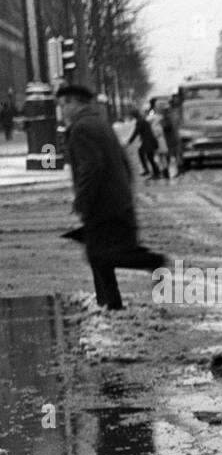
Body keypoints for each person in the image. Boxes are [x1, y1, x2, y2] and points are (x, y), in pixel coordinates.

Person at [56, 82, 168, 311]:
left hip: (102, 203)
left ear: (73, 103)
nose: (62, 111)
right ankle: (110, 303)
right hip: (115, 200)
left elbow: (91, 168)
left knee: (101, 255)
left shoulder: (82, 128)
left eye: (63, 105)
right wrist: (125, 193)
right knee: (98, 252)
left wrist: (82, 201)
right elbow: (124, 161)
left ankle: (152, 262)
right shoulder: (99, 123)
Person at [128, 107, 162, 180]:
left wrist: (129, 141)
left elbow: (136, 132)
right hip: (148, 140)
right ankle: (152, 171)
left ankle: (155, 172)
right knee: (145, 154)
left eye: (131, 115)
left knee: (149, 156)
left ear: (134, 115)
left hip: (148, 141)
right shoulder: (141, 120)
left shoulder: (140, 121)